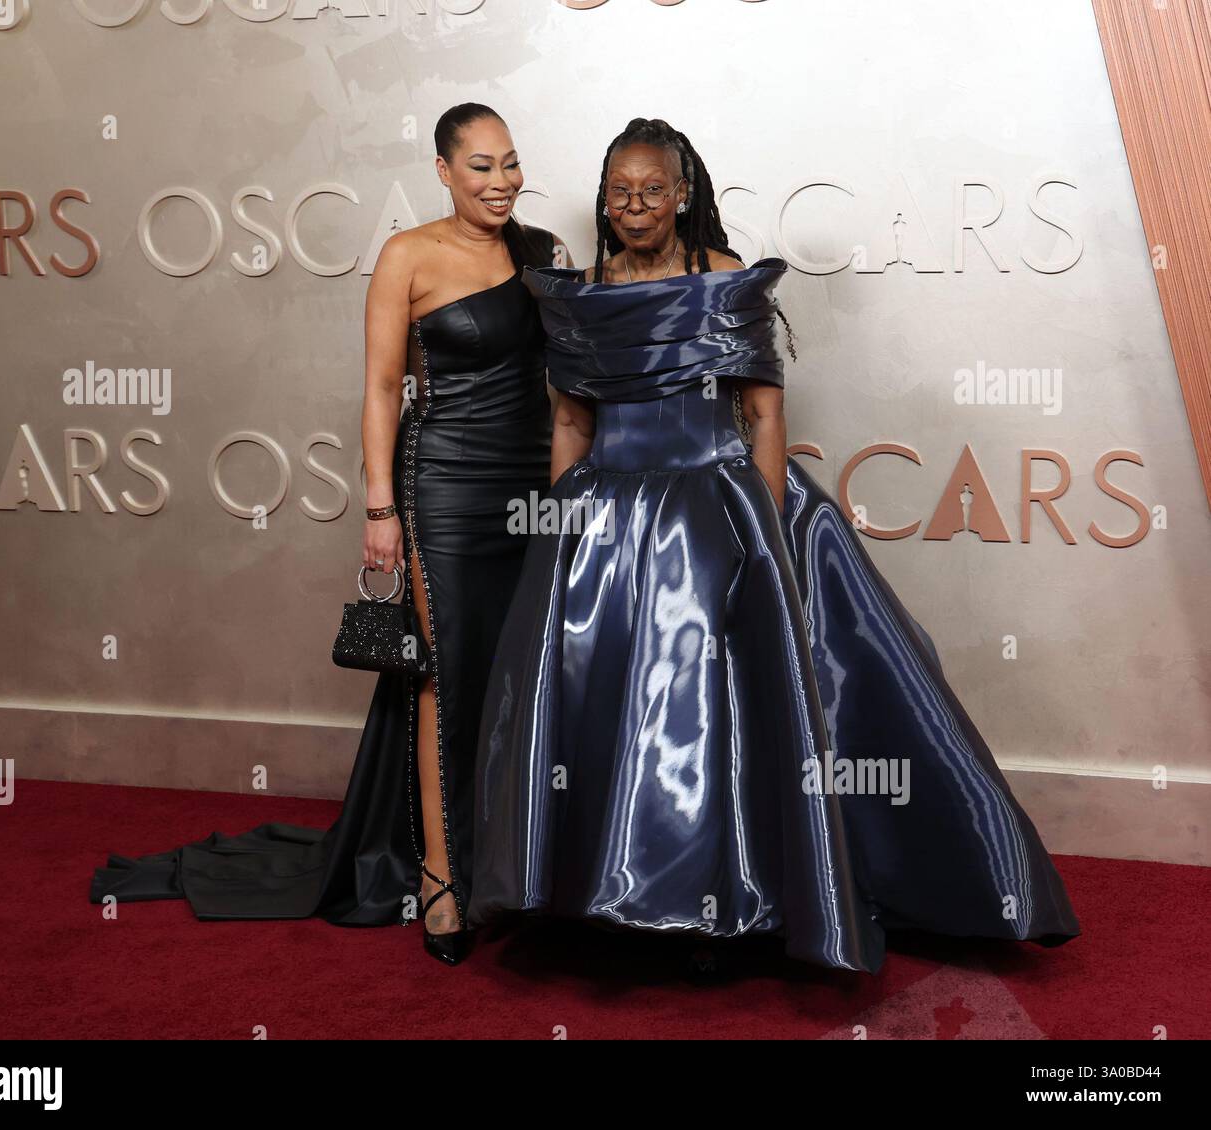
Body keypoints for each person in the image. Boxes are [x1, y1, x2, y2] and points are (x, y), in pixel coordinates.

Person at [467, 117, 1080, 974]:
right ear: (602, 198)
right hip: (603, 516)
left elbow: (762, 416)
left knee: (721, 705)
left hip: (715, 501)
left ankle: (739, 900)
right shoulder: (576, 292)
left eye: (652, 189)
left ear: (683, 194)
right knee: (600, 705)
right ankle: (611, 896)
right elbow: (570, 421)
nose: (634, 205)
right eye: (619, 191)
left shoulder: (724, 282)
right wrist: (557, 528)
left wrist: (763, 529)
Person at [90, 103, 568, 966]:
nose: (501, 184)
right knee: (444, 680)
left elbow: (565, 387)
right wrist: (380, 508)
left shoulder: (540, 255)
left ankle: (513, 869)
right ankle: (440, 883)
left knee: (516, 679)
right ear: (441, 171)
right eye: (480, 168)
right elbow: (383, 390)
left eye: (510, 165)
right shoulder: (408, 256)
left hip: (528, 491)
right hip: (446, 492)